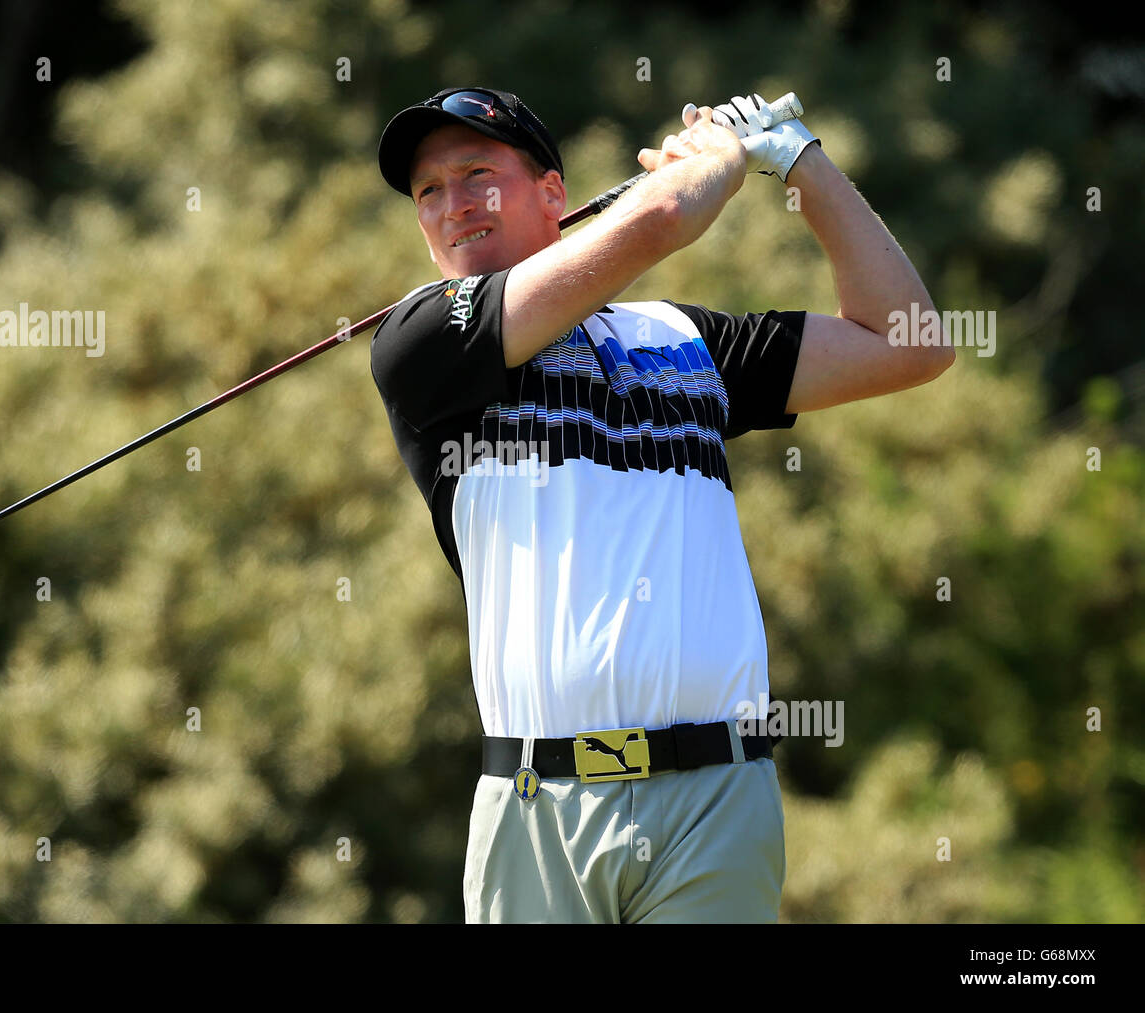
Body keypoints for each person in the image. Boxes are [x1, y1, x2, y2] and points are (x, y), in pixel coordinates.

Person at [370, 86, 952, 923]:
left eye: (477, 173)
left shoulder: (686, 340)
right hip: (540, 812)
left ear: (552, 197)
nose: (454, 204)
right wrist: (715, 162)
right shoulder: (420, 341)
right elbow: (662, 220)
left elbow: (911, 343)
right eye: (429, 190)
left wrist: (797, 160)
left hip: (716, 799)